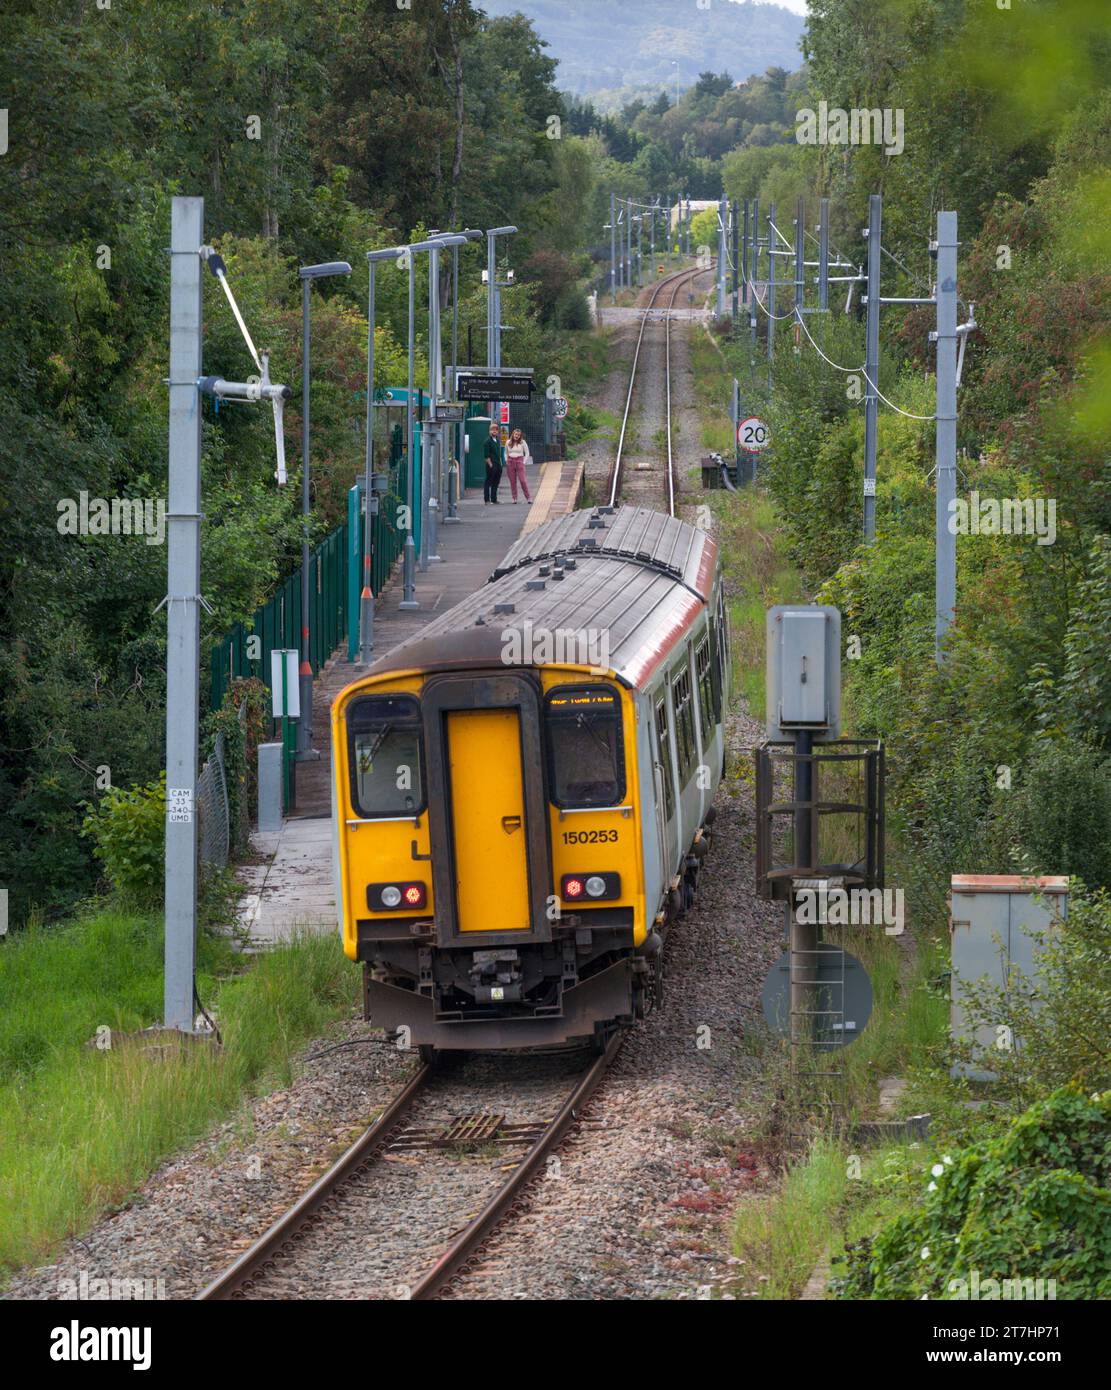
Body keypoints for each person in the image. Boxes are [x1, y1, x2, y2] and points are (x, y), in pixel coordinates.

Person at [504, 428, 533, 504]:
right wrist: (506, 460)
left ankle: (528, 498)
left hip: (519, 461)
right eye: (515, 434)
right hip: (510, 461)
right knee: (513, 482)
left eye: (518, 435)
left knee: (522, 480)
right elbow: (505, 452)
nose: (517, 436)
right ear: (513, 434)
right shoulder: (508, 442)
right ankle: (514, 498)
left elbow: (527, 453)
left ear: (520, 436)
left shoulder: (523, 442)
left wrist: (524, 462)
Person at [483, 424, 503, 504]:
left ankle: (494, 499)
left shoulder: (498, 441)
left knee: (496, 481)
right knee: (488, 482)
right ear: (489, 431)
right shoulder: (487, 441)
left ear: (498, 431)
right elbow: (486, 455)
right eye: (492, 429)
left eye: (496, 430)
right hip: (491, 464)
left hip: (498, 464)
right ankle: (487, 500)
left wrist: (500, 464)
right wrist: (490, 464)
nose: (494, 431)